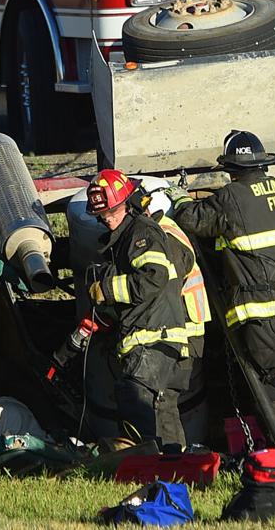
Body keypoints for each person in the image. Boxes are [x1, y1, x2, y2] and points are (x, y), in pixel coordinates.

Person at [171, 130, 275, 459]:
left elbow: (192, 219)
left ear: (231, 168)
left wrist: (176, 196)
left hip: (263, 315)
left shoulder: (232, 196)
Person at [86, 169, 188, 445]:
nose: (106, 220)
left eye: (111, 212)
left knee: (135, 400)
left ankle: (145, 468)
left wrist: (106, 289)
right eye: (101, 216)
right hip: (157, 334)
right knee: (162, 412)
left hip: (153, 334)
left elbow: (153, 277)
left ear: (126, 204)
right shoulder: (125, 237)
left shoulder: (141, 232)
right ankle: (176, 470)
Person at [143, 187, 211, 448]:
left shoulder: (166, 238)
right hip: (187, 331)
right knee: (173, 399)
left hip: (183, 333)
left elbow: (161, 286)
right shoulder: (171, 232)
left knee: (164, 398)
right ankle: (185, 456)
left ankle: (176, 461)